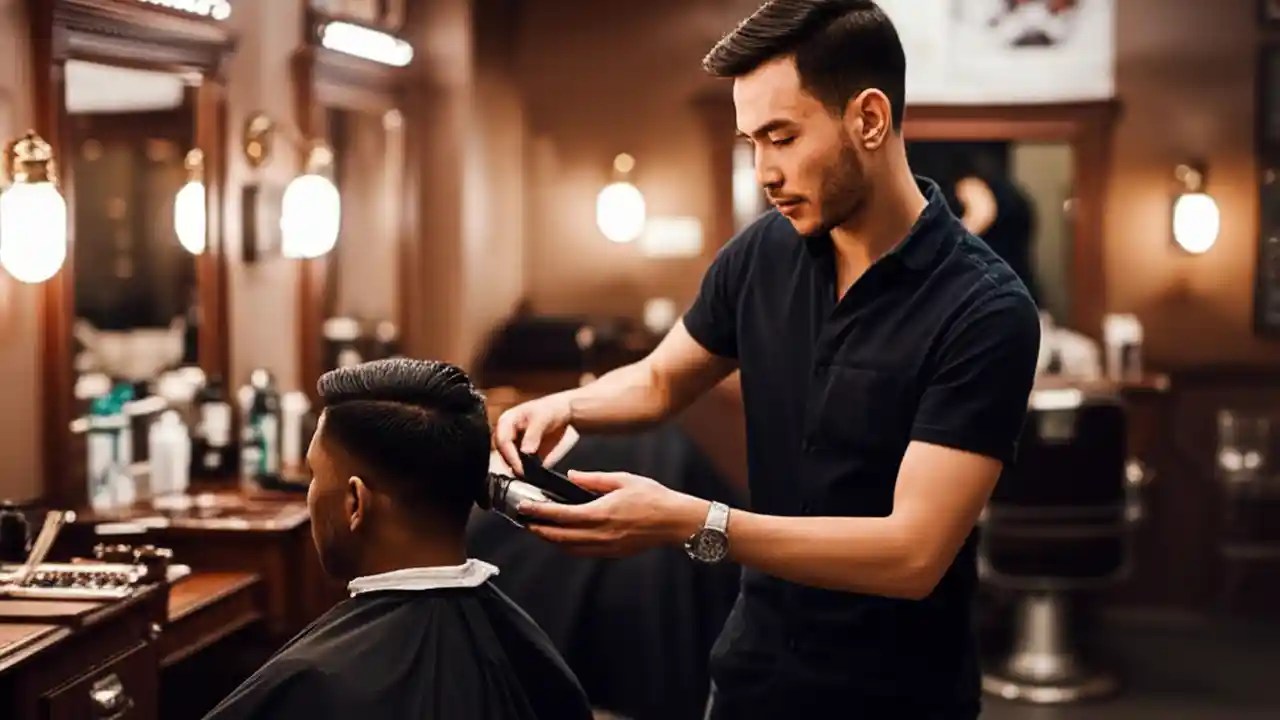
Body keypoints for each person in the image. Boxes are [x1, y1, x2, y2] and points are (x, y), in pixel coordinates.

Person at [494, 2, 1041, 718]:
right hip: (752, 673)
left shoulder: (985, 309)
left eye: (781, 138)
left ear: (869, 120)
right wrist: (566, 404)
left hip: (898, 695)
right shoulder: (762, 253)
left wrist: (693, 521)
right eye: (751, 141)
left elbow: (912, 553)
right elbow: (662, 379)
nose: (764, 173)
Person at [204, 359, 594, 720]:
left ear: (355, 501)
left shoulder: (314, 680)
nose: (311, 493)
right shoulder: (533, 655)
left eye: (314, 475)